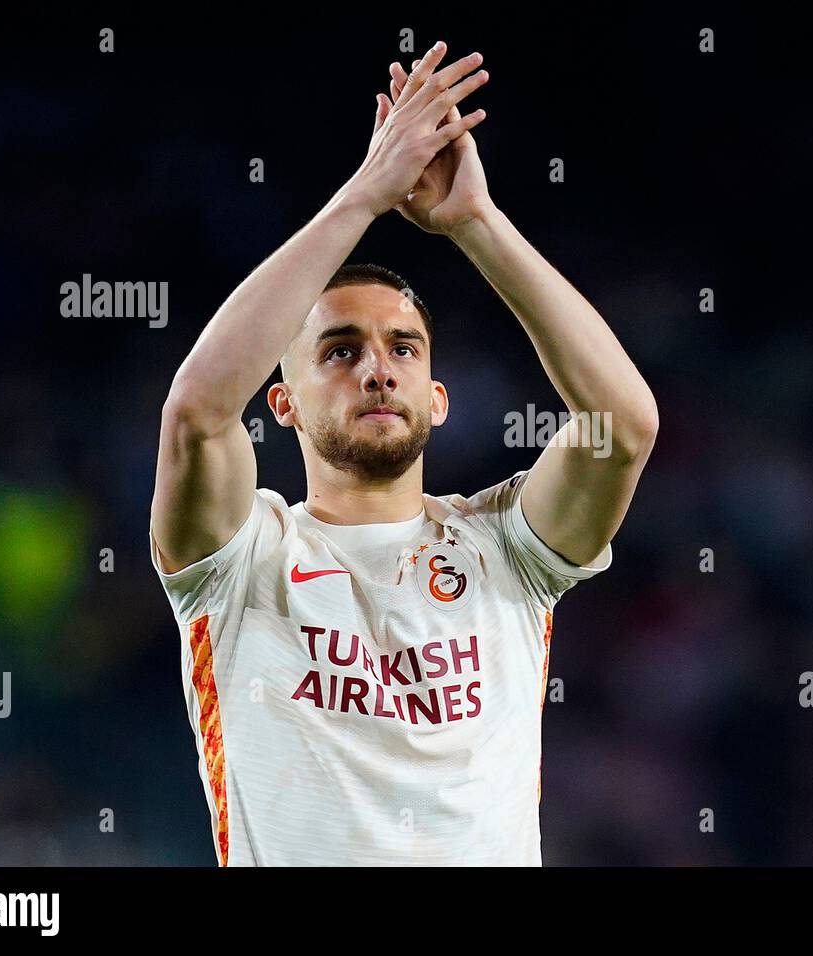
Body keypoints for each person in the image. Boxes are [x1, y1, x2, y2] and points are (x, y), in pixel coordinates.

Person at [148, 39, 657, 865]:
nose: (378, 369)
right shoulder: (238, 563)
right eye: (341, 351)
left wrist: (478, 224)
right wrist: (362, 196)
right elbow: (196, 414)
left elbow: (624, 424)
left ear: (438, 398)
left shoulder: (506, 552)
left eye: (404, 349)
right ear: (282, 405)